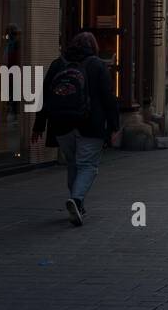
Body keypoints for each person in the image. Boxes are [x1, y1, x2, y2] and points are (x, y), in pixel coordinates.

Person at [32, 32, 120, 227]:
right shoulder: (97, 65)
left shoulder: (58, 64)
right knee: (87, 165)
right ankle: (77, 200)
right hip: (90, 124)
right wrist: (114, 126)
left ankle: (77, 204)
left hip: (61, 124)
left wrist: (39, 125)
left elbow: (45, 96)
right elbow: (108, 98)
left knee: (73, 163)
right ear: (94, 47)